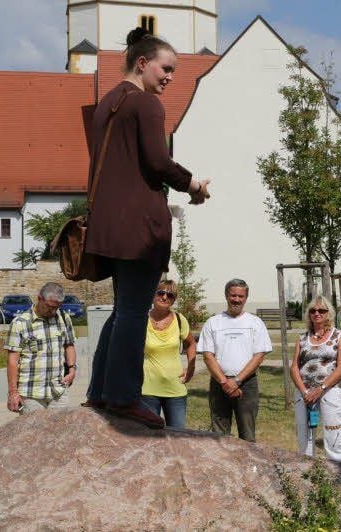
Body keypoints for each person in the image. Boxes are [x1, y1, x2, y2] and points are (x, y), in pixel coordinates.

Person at [84, 28, 211, 429]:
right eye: (166, 68)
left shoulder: (108, 103)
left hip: (110, 226)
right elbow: (157, 162)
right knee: (134, 312)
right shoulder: (146, 104)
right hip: (140, 228)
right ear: (142, 63)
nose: (170, 77)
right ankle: (124, 397)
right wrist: (193, 185)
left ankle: (100, 391)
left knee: (122, 311)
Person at [197, 279, 272, 442]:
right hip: (219, 384)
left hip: (247, 384)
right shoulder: (213, 323)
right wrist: (225, 382)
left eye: (240, 296)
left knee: (247, 435)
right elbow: (208, 356)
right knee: (219, 435)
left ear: (246, 298)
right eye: (233, 295)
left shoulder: (255, 323)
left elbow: (259, 356)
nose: (236, 299)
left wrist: (237, 381)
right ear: (226, 296)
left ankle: (248, 459)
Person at [291, 295, 341, 463]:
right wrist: (305, 391)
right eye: (313, 310)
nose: (317, 313)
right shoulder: (302, 338)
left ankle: (340, 470)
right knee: (304, 435)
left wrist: (320, 389)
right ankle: (307, 469)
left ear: (328, 313)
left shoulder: (339, 336)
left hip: (329, 391)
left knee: (333, 433)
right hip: (304, 393)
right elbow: (294, 367)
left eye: (321, 310)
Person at [5, 283, 78, 414]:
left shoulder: (64, 318)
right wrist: (13, 392)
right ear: (39, 298)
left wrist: (72, 369)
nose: (53, 311)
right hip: (30, 394)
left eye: (57, 307)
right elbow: (12, 361)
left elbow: (69, 345)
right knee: (33, 428)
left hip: (58, 391)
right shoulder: (20, 323)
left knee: (61, 427)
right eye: (49, 307)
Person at [141, 280, 197, 429]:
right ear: (153, 295)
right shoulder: (142, 319)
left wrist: (191, 368)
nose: (165, 297)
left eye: (170, 295)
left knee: (178, 436)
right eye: (161, 293)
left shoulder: (180, 319)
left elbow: (191, 343)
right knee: (149, 437)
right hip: (148, 390)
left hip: (175, 390)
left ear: (173, 300)